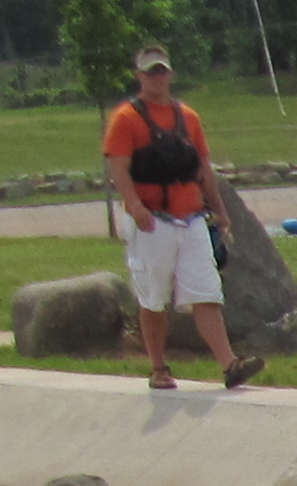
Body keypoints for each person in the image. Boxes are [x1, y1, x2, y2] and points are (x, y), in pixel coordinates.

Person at [99, 45, 261, 393]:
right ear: (139, 76)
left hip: (191, 218)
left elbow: (203, 167)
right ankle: (158, 367)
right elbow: (118, 167)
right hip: (152, 221)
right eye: (150, 72)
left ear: (170, 75)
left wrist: (219, 209)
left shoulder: (188, 118)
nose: (157, 78)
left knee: (206, 292)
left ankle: (229, 364)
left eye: (162, 71)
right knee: (154, 296)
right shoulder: (126, 119)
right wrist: (135, 207)